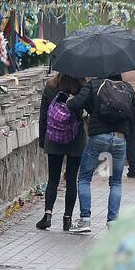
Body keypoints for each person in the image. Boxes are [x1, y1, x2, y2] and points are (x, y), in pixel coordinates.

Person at [67, 73, 135, 232]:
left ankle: (85, 220)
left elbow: (75, 104)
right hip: (120, 138)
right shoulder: (127, 88)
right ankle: (113, 221)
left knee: (84, 177)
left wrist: (90, 108)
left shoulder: (94, 85)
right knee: (116, 182)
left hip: (98, 136)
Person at [36, 72, 87, 232]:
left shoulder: (51, 87)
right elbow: (89, 112)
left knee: (53, 179)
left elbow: (43, 115)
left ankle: (48, 215)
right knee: (71, 179)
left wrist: (43, 140)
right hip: (75, 138)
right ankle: (67, 219)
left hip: (54, 137)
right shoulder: (82, 88)